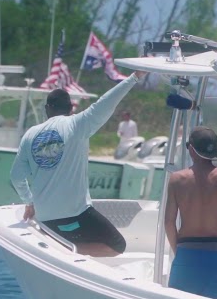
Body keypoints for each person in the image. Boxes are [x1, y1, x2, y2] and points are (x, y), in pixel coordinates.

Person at [11, 74, 143, 257]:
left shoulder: (30, 134)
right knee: (117, 245)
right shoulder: (77, 124)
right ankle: (66, 252)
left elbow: (16, 177)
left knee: (70, 235)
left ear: (47, 109)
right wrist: (134, 78)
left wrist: (29, 202)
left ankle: (61, 248)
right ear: (71, 108)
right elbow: (107, 101)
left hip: (45, 219)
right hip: (77, 215)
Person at [164, 127, 217, 299]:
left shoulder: (177, 179)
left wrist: (177, 250)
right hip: (215, 250)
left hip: (186, 249)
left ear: (191, 149)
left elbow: (169, 223)